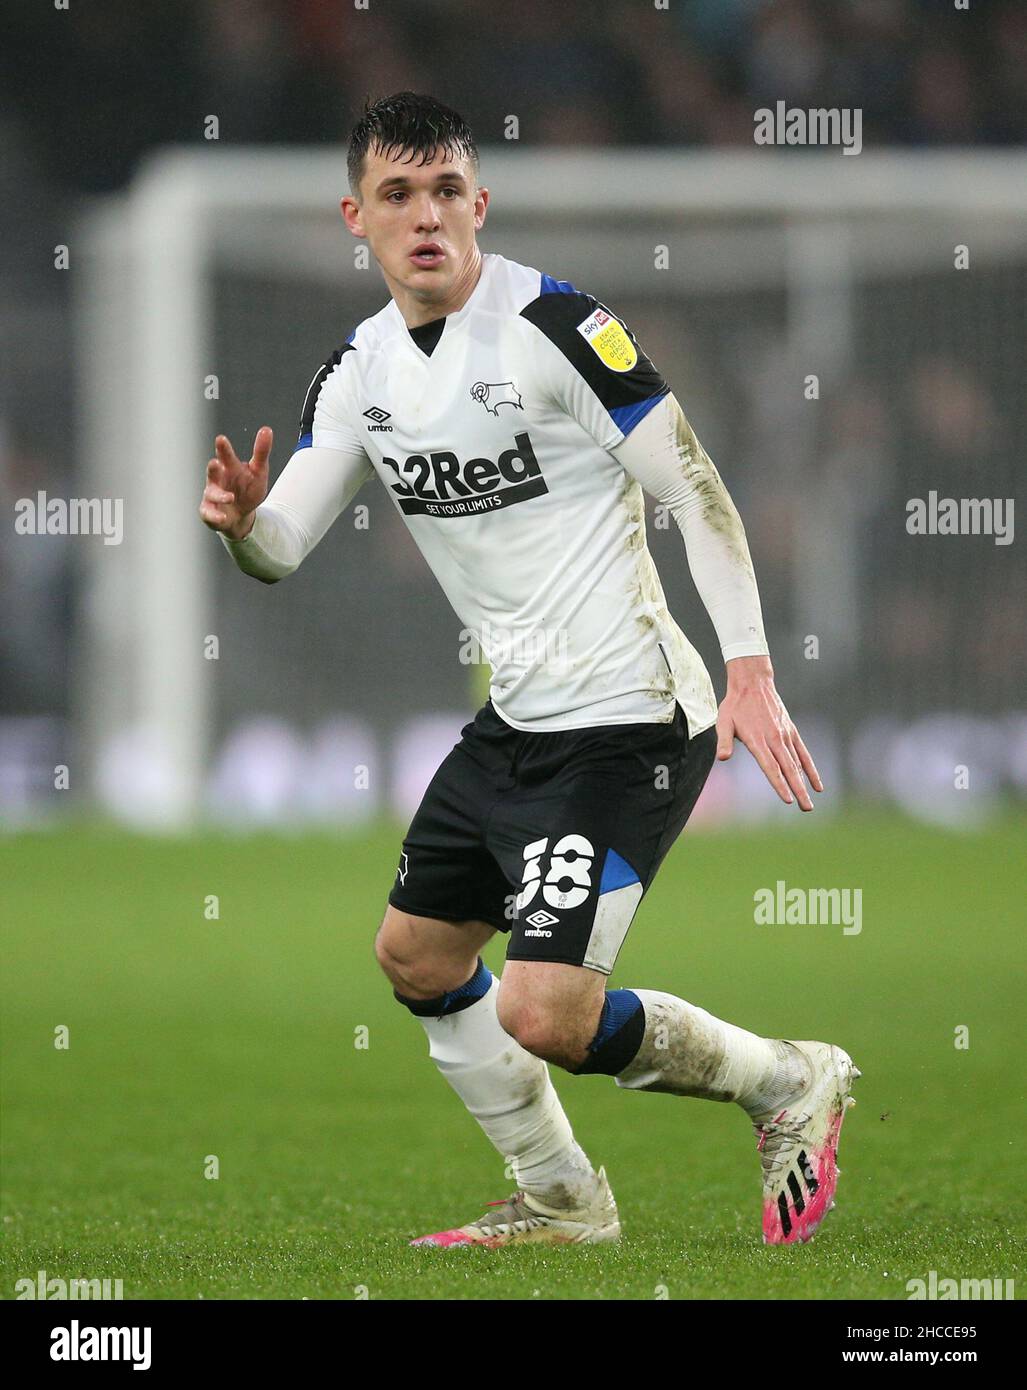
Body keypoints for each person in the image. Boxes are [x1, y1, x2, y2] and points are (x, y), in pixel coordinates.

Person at [200, 92, 859, 1248]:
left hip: (632, 719)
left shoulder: (557, 328)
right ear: (356, 217)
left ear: (480, 204)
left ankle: (786, 1078)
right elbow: (282, 547)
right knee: (416, 955)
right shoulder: (357, 371)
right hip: (518, 723)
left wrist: (748, 668)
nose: (425, 216)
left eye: (446, 190)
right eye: (397, 195)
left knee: (543, 1010)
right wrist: (243, 526)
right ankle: (561, 1199)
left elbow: (694, 486)